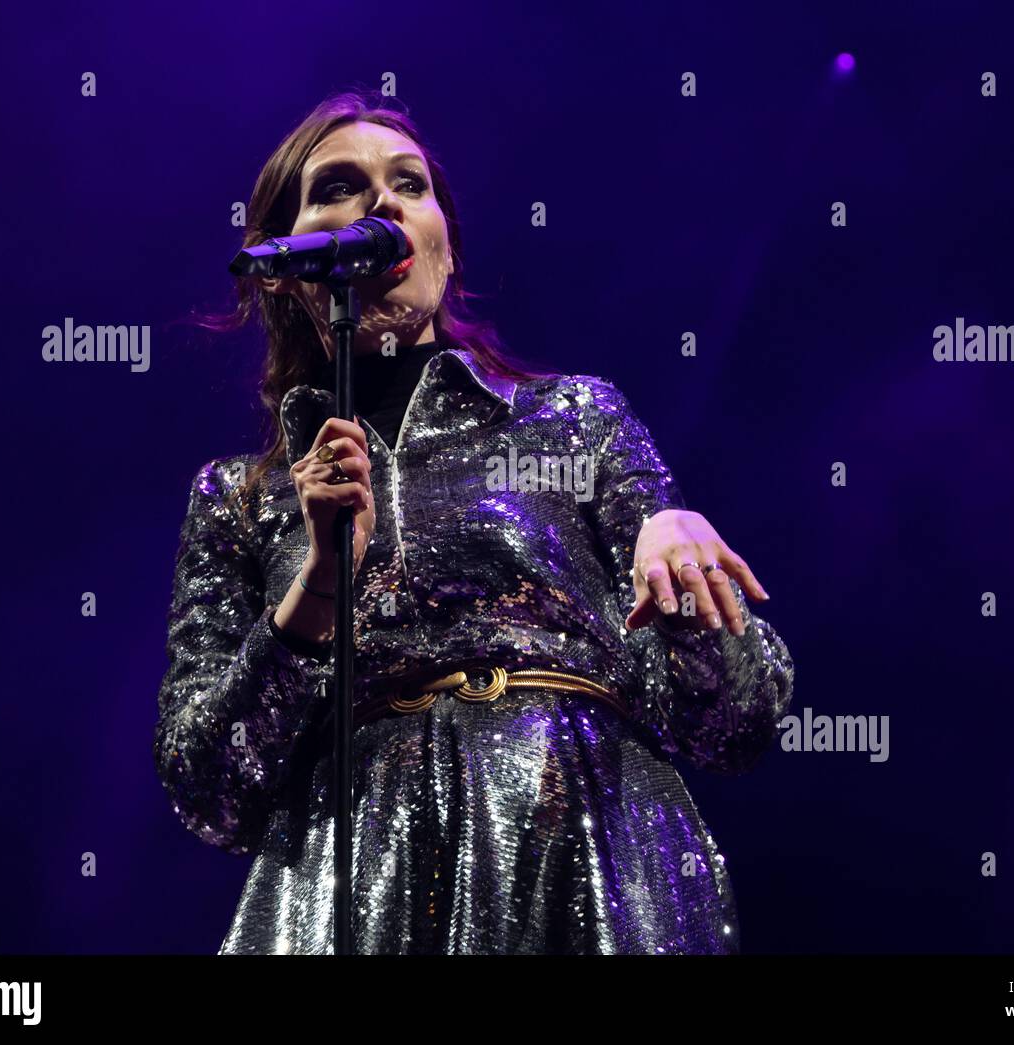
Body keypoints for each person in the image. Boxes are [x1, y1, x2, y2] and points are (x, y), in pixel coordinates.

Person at [153, 90, 795, 954]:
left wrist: (683, 576)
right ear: (283, 265)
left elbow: (735, 721)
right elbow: (208, 786)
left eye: (409, 185)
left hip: (579, 852)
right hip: (353, 890)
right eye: (338, 186)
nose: (381, 204)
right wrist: (319, 588)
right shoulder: (237, 495)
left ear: (445, 249)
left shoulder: (572, 420)